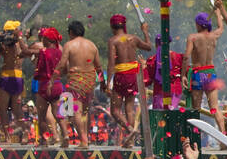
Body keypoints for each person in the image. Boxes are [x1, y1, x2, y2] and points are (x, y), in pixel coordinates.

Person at [106, 13, 153, 145]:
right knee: (129, 107)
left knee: (115, 110)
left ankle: (130, 129)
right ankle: (130, 141)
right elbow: (149, 46)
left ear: (112, 26)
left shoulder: (113, 41)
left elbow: (111, 64)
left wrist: (108, 82)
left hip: (121, 76)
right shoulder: (133, 38)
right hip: (133, 76)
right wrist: (145, 32)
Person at [55, 20, 101, 149]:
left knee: (76, 111)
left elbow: (62, 64)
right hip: (89, 82)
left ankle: (83, 141)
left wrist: (53, 78)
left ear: (71, 32)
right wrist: (103, 83)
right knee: (85, 112)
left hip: (75, 82)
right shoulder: (92, 46)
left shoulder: (69, 45)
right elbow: (99, 67)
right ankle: (86, 139)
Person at [183, 8, 226, 132]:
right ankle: (224, 139)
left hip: (198, 73)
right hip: (210, 73)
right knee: (215, 107)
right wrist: (218, 14)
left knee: (196, 109)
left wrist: (183, 75)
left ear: (198, 24)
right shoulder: (214, 36)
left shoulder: (193, 37)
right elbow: (221, 28)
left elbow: (186, 57)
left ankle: (194, 139)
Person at [27, 27, 65, 146]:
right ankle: (65, 135)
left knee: (42, 115)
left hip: (45, 84)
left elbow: (40, 68)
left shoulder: (44, 52)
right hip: (58, 84)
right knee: (57, 113)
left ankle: (45, 139)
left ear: (48, 39)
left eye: (44, 38)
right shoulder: (61, 51)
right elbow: (65, 69)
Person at [0, 20, 27, 143]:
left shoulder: (19, 43)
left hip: (12, 76)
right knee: (5, 108)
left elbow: (24, 53)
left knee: (15, 108)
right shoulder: (6, 43)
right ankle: (9, 135)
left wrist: (17, 38)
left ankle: (23, 134)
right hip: (11, 76)